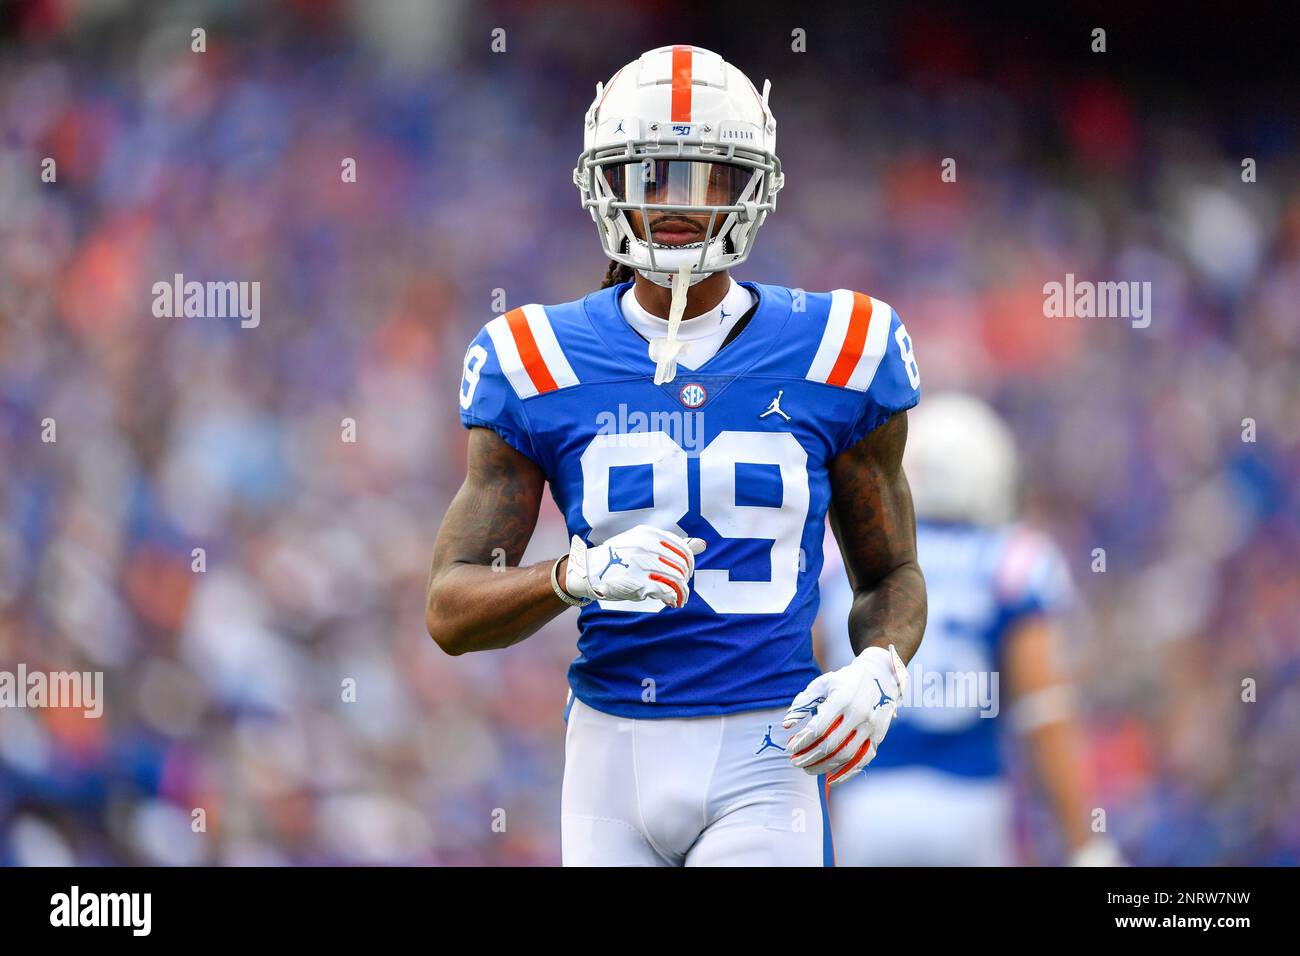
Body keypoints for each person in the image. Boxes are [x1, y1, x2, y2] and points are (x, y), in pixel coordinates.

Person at [426, 45, 926, 866]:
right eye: (653, 173)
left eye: (708, 176)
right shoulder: (534, 356)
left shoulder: (842, 348)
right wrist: (572, 575)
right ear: (605, 183)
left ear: (753, 188)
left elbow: (890, 576)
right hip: (610, 757)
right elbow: (449, 608)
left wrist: (880, 667)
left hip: (771, 750)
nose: (679, 203)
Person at [817, 393, 1123, 865]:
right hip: (970, 806)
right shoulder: (1014, 562)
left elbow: (809, 690)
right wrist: (1084, 844)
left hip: (865, 808)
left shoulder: (844, 563)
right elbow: (1044, 710)